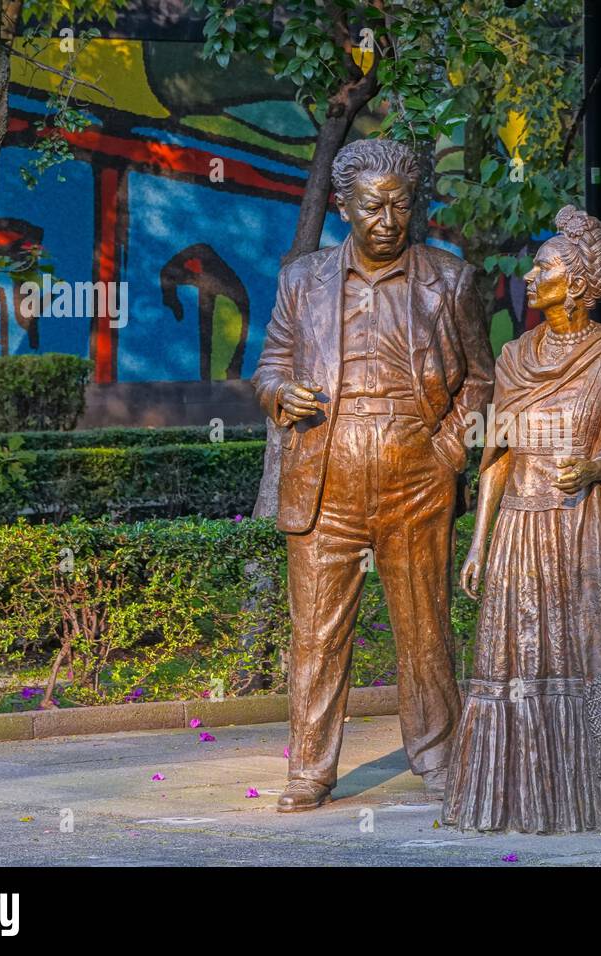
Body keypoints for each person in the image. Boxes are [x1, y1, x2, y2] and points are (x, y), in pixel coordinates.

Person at [252, 139, 494, 811]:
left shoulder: (451, 279)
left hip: (416, 476)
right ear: (341, 207)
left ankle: (440, 757)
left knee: (424, 627)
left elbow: (480, 380)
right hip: (324, 474)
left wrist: (449, 451)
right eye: (372, 207)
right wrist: (278, 392)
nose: (388, 221)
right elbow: (270, 362)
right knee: (318, 634)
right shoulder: (302, 280)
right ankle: (309, 768)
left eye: (401, 206)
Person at [443, 206, 601, 833]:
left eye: (542, 266)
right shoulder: (516, 357)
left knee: (594, 660)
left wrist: (598, 464)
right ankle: (518, 798)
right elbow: (496, 458)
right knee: (518, 666)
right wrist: (477, 544)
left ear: (575, 283)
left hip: (590, 526)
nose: (529, 275)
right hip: (522, 531)